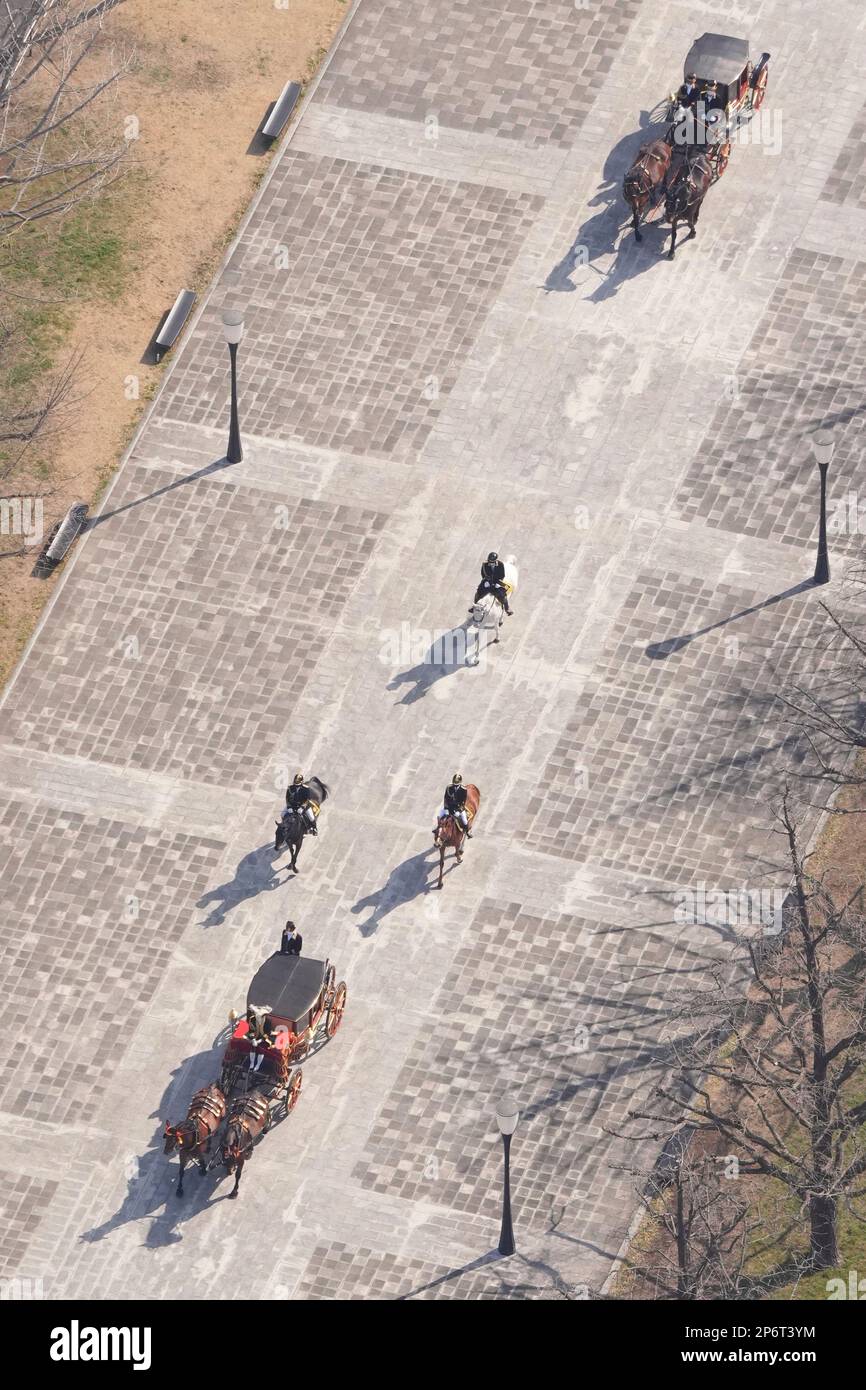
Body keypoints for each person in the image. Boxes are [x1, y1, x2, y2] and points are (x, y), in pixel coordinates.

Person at [470, 552, 513, 616]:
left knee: (503, 595)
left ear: (495, 560)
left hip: (497, 582)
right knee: (478, 592)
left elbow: (502, 575)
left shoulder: (500, 564)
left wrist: (498, 583)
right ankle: (474, 606)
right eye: (489, 561)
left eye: (492, 561)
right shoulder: (484, 564)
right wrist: (486, 580)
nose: (490, 562)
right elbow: (483, 573)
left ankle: (507, 609)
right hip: (488, 581)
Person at [433, 773, 472, 837]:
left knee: (464, 820)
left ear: (460, 783)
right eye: (454, 784)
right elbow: (445, 798)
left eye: (456, 784)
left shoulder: (463, 789)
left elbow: (463, 801)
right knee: (440, 815)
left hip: (458, 808)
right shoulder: (449, 787)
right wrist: (446, 808)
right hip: (449, 807)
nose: (455, 785)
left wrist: (458, 810)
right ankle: (438, 828)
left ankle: (467, 831)